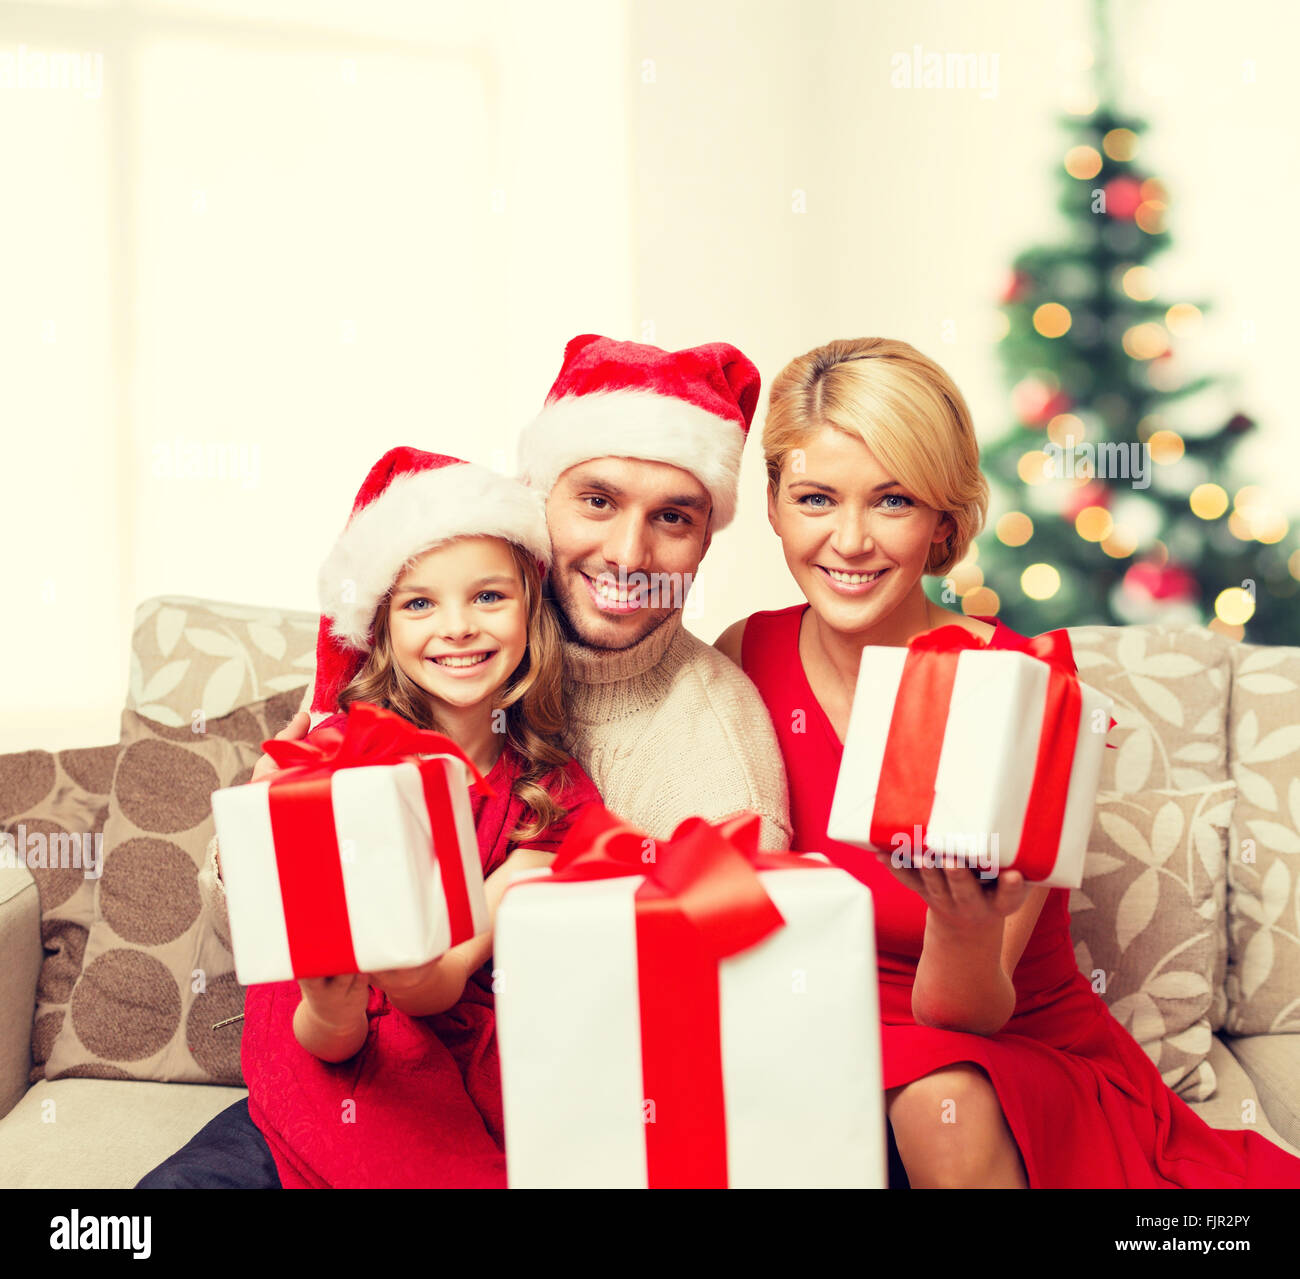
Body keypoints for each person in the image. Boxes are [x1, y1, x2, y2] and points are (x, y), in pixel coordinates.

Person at [715, 335, 1300, 1189]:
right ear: (771, 503)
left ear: (943, 520)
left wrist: (961, 920)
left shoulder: (1017, 686)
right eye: (814, 498)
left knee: (936, 1098)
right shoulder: (744, 655)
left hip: (997, 1040)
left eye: (892, 501)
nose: (849, 539)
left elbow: (973, 1007)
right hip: (824, 1030)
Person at [140, 448, 602, 1188]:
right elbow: (315, 1023)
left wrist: (400, 964)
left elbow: (440, 981)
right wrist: (262, 844)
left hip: (434, 1062)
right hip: (310, 1050)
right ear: (382, 629)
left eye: (488, 596)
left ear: (531, 609)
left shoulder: (551, 799)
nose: (457, 627)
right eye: (420, 603)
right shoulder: (329, 760)